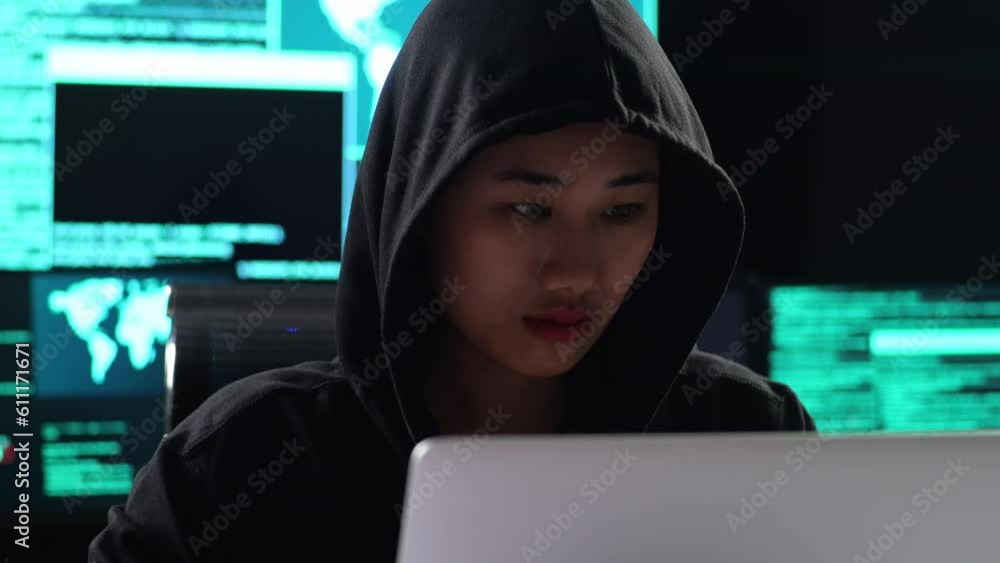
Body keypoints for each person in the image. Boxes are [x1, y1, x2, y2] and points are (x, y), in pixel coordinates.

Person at [88, 0, 815, 561]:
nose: (578, 270)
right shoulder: (238, 469)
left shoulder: (747, 435)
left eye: (623, 211)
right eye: (529, 208)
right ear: (420, 207)